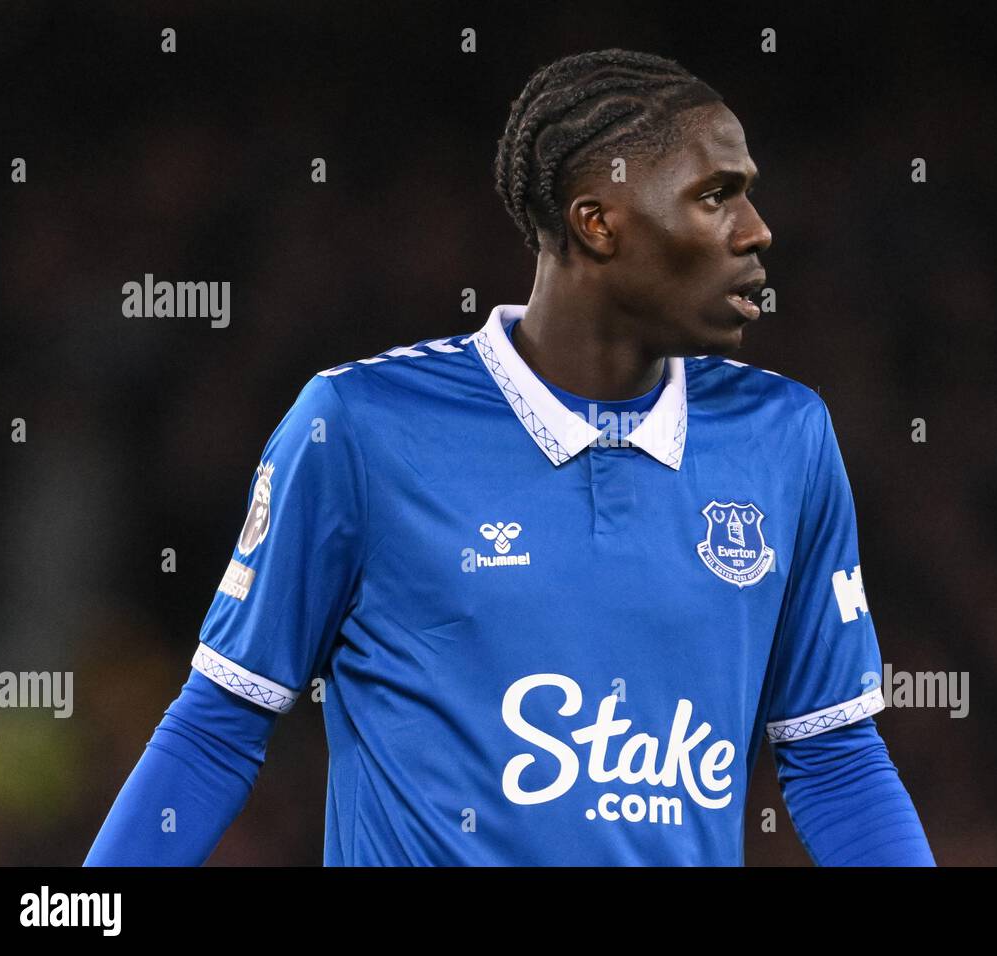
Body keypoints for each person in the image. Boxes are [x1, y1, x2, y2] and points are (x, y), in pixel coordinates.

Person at [85, 48, 934, 866]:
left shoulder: (783, 436)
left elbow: (835, 760)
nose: (757, 231)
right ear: (597, 223)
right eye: (718, 196)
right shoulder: (358, 428)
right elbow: (218, 727)